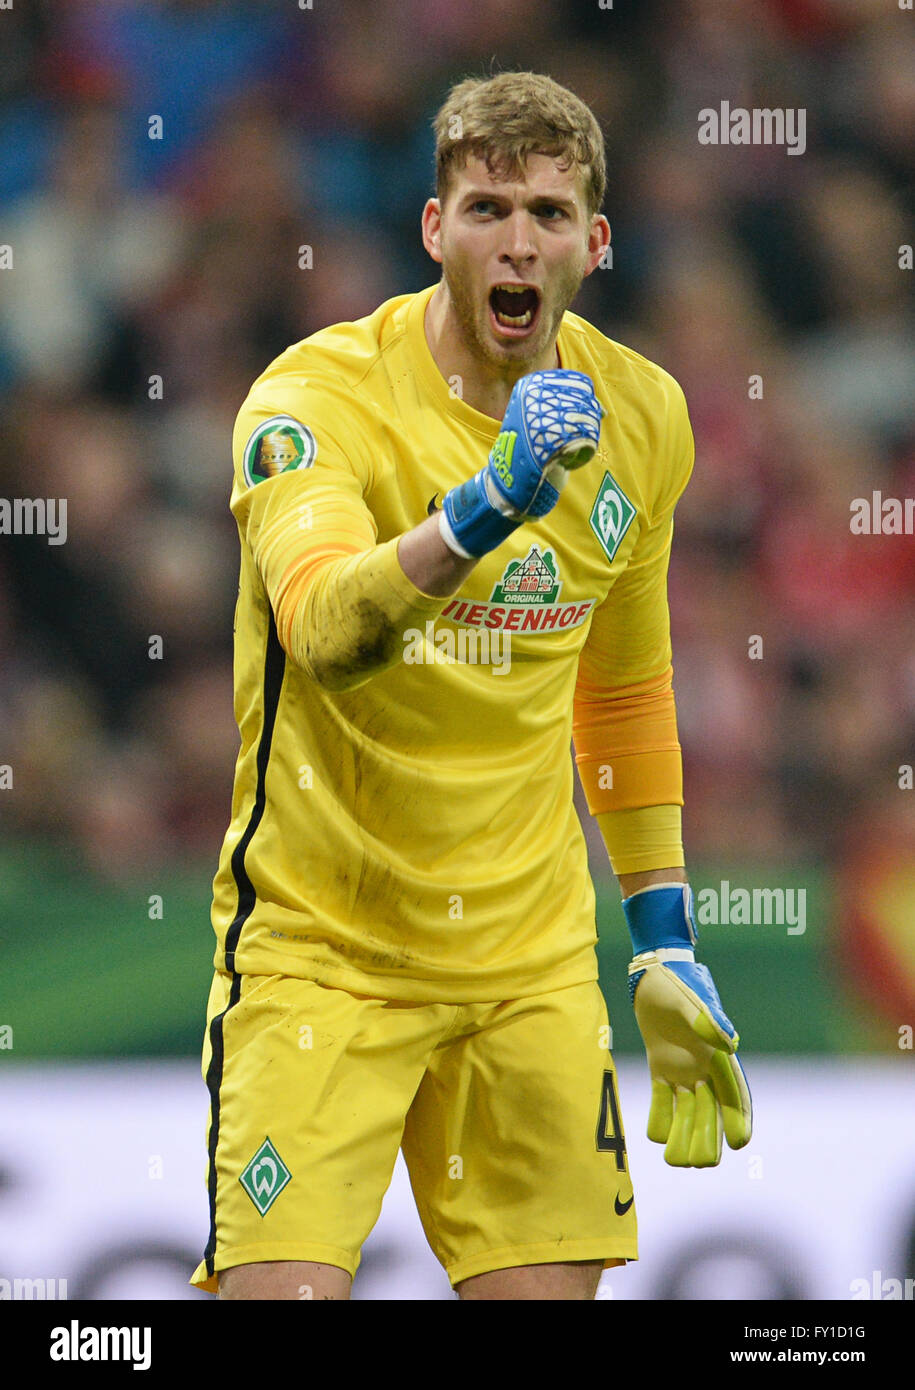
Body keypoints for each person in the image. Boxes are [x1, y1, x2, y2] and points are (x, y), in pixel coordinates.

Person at [190, 70, 752, 1303]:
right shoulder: (311, 402)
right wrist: (487, 505)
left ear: (596, 244)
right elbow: (327, 630)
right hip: (319, 950)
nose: (519, 241)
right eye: (489, 208)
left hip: (527, 963)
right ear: (434, 229)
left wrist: (662, 936)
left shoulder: (645, 417)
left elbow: (624, 688)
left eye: (551, 214)